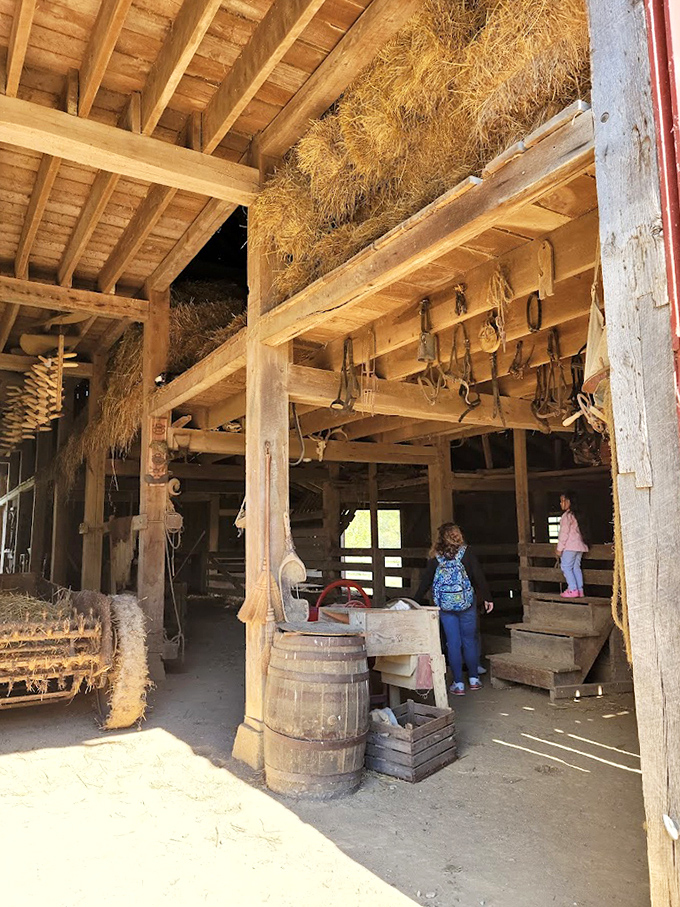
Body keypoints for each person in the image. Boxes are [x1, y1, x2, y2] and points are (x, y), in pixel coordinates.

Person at [414, 523, 493, 696]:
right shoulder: (467, 553)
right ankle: (473, 679)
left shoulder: (436, 557)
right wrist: (488, 597)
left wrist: (414, 601)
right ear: (458, 535)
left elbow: (426, 581)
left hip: (445, 606)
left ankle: (458, 684)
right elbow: (479, 576)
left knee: (453, 643)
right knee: (469, 640)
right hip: (467, 603)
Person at [556, 490, 589, 598]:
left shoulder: (566, 516)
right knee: (575, 567)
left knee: (565, 567)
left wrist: (559, 549)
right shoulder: (578, 515)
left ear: (569, 501)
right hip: (580, 546)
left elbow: (563, 534)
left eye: (563, 501)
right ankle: (580, 590)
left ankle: (572, 589)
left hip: (570, 547)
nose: (561, 503)